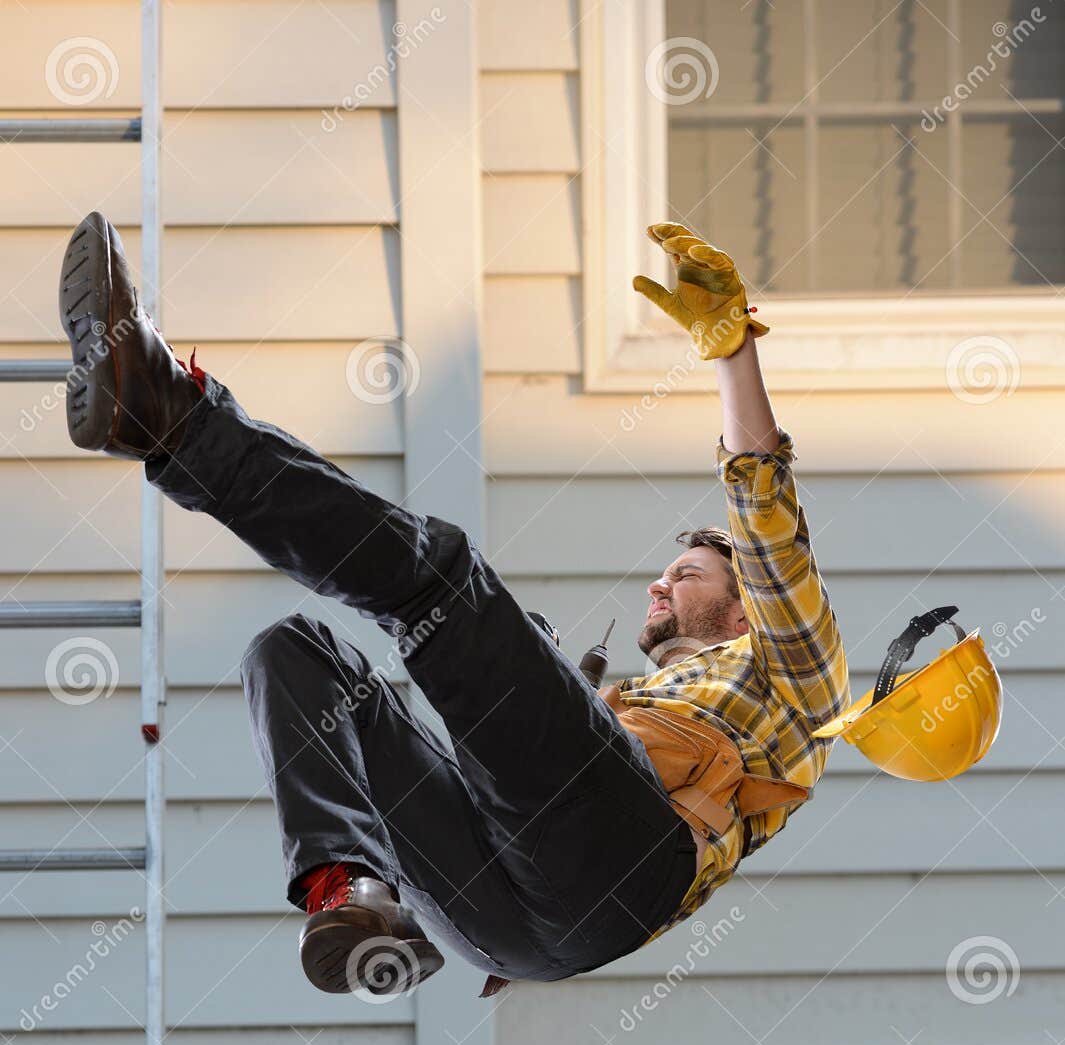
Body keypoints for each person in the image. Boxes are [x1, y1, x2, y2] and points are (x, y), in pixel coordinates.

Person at [58, 213, 849, 999]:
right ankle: (354, 893)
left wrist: (732, 351)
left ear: (748, 611)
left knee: (443, 581)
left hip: (627, 871)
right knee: (292, 652)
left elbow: (767, 523)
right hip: (506, 926)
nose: (658, 584)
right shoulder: (633, 701)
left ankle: (173, 418)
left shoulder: (795, 671)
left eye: (686, 574)